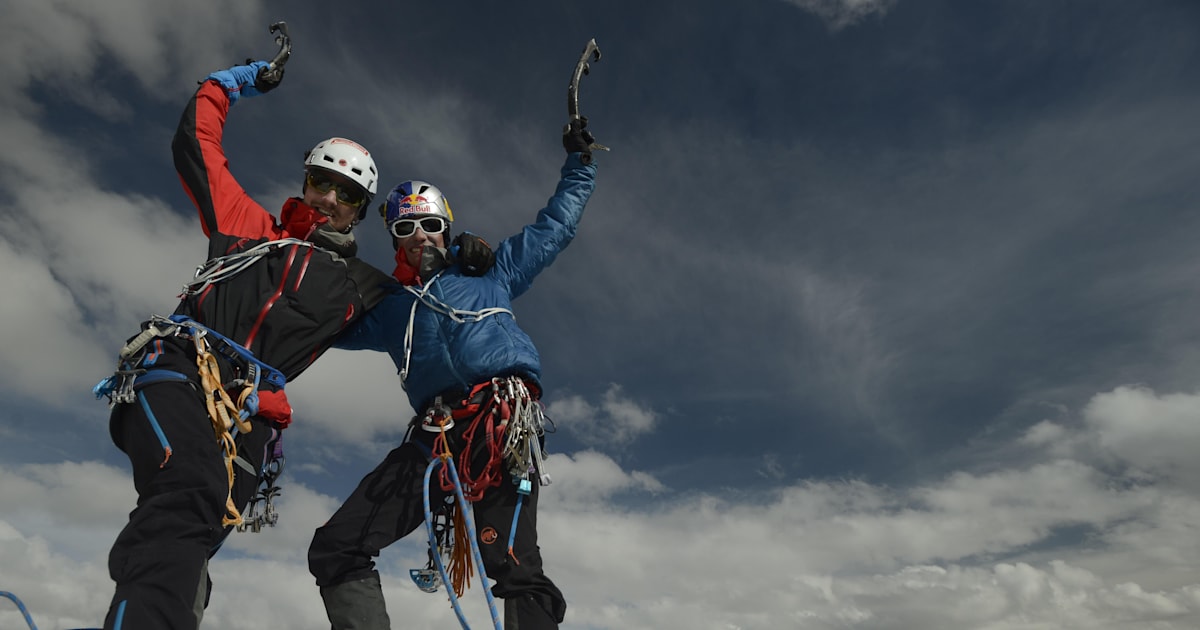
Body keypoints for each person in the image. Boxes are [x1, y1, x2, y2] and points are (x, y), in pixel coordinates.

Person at [95, 58, 494, 629]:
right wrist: (230, 84)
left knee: (198, 527)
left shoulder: (364, 287)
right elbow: (196, 142)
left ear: (360, 209)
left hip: (250, 419)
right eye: (321, 182)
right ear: (304, 181)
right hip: (182, 367)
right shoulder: (246, 226)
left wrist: (459, 256)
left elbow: (425, 305)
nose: (330, 198)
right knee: (189, 492)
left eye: (348, 194)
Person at [307, 116, 600, 629]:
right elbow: (317, 327)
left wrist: (580, 163)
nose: (419, 236)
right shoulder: (390, 309)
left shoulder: (493, 273)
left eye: (429, 224)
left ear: (446, 225)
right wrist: (317, 262)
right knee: (339, 546)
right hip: (432, 440)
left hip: (499, 424)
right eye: (404, 228)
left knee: (515, 569)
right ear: (394, 241)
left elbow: (555, 228)